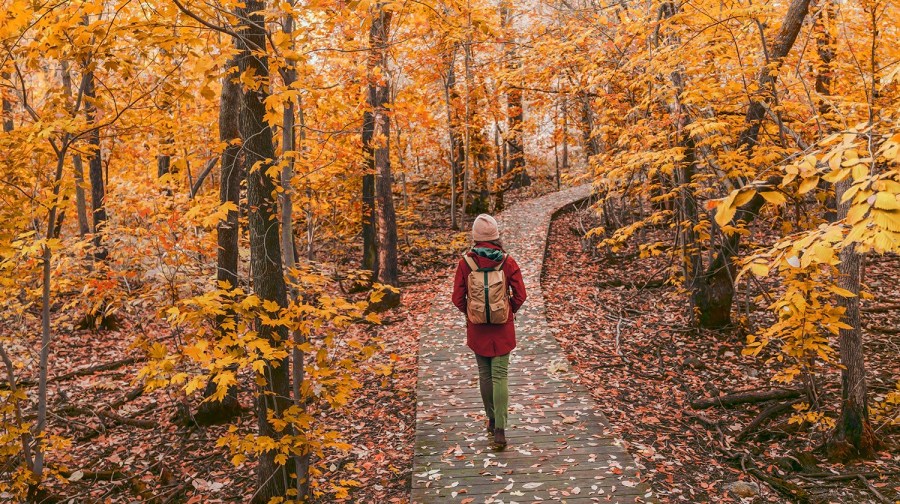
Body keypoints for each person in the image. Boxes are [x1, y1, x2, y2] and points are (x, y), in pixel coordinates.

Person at [452, 214, 527, 449]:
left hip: (477, 329)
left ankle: (492, 419)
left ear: (475, 237)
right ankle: (501, 430)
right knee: (500, 376)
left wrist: (471, 314)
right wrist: (507, 310)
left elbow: (456, 298)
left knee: (485, 376)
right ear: (496, 236)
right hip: (502, 327)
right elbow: (521, 295)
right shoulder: (507, 261)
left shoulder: (466, 262)